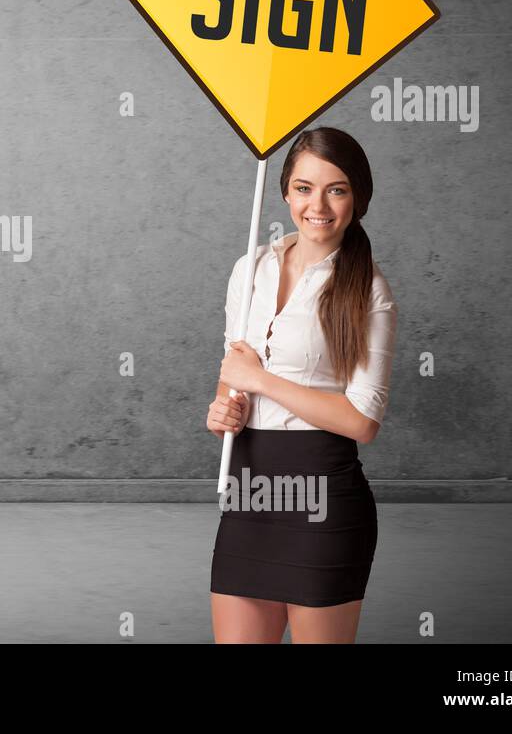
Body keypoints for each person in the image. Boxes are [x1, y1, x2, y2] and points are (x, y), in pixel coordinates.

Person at [205, 127, 397, 643]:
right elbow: (234, 377)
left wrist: (260, 380)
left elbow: (362, 421)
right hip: (249, 493)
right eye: (305, 188)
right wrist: (223, 410)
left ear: (357, 198)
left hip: (324, 501)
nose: (319, 205)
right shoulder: (251, 269)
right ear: (286, 191)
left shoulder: (369, 290)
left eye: (337, 189)